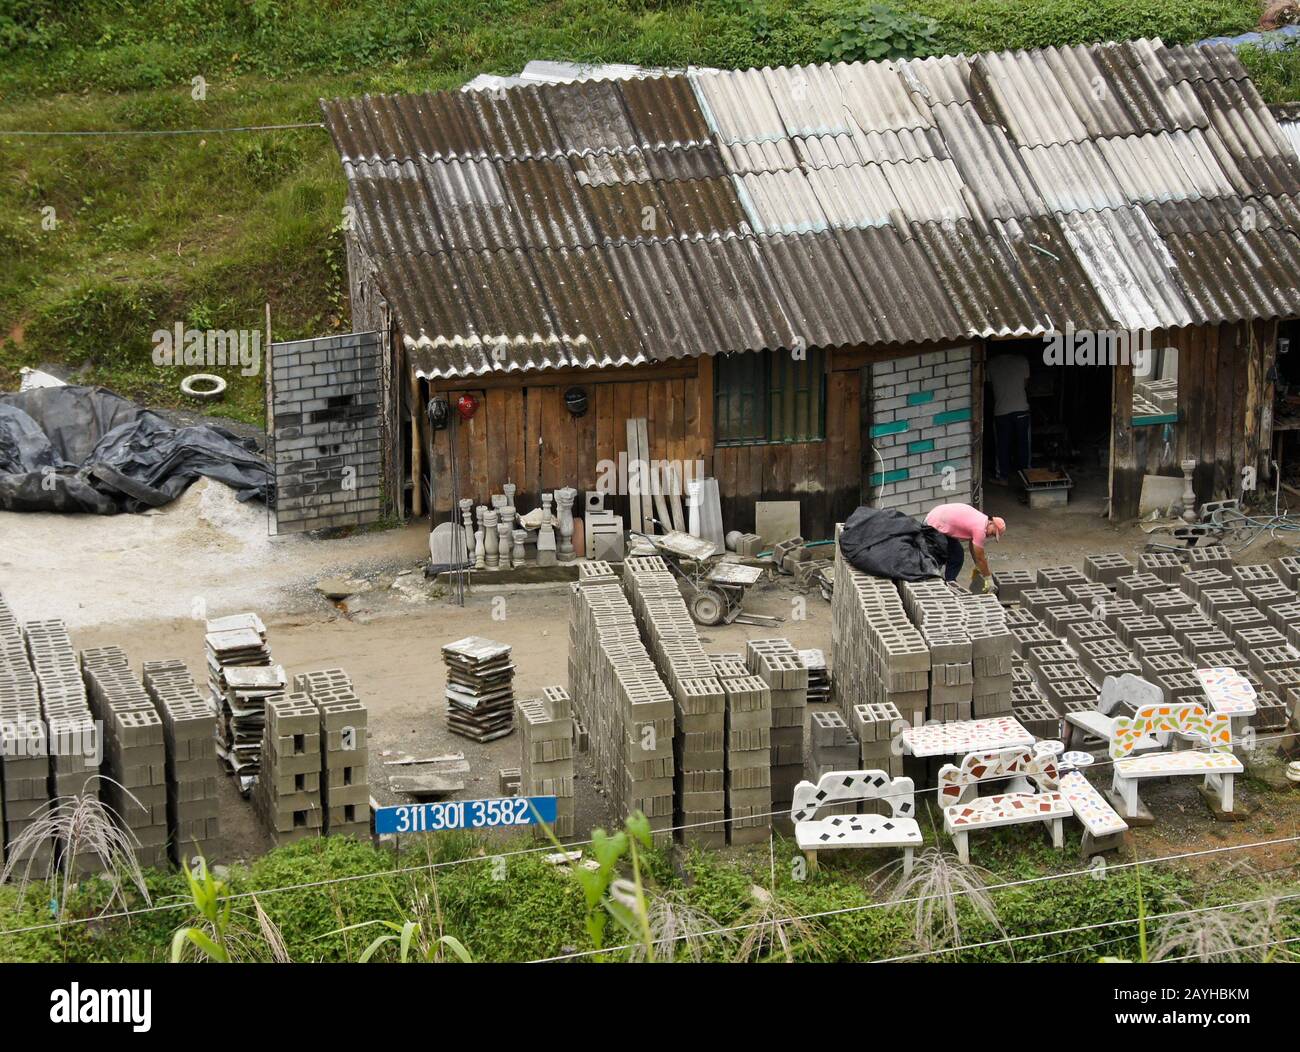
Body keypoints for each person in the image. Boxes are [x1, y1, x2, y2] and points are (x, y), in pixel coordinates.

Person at [924, 502, 1006, 588]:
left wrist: (978, 566)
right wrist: (988, 580)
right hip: (933, 524)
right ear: (991, 523)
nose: (990, 536)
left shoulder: (981, 519)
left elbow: (973, 547)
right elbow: (980, 558)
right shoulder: (980, 528)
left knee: (957, 555)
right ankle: (932, 584)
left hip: (941, 520)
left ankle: (949, 583)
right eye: (992, 533)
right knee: (939, 554)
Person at [986, 350, 1031, 484]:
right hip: (1021, 409)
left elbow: (989, 386)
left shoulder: (991, 364)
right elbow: (1025, 384)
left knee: (1002, 446)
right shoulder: (1022, 360)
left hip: (1001, 411)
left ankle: (1003, 477)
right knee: (1024, 444)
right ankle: (1027, 476)